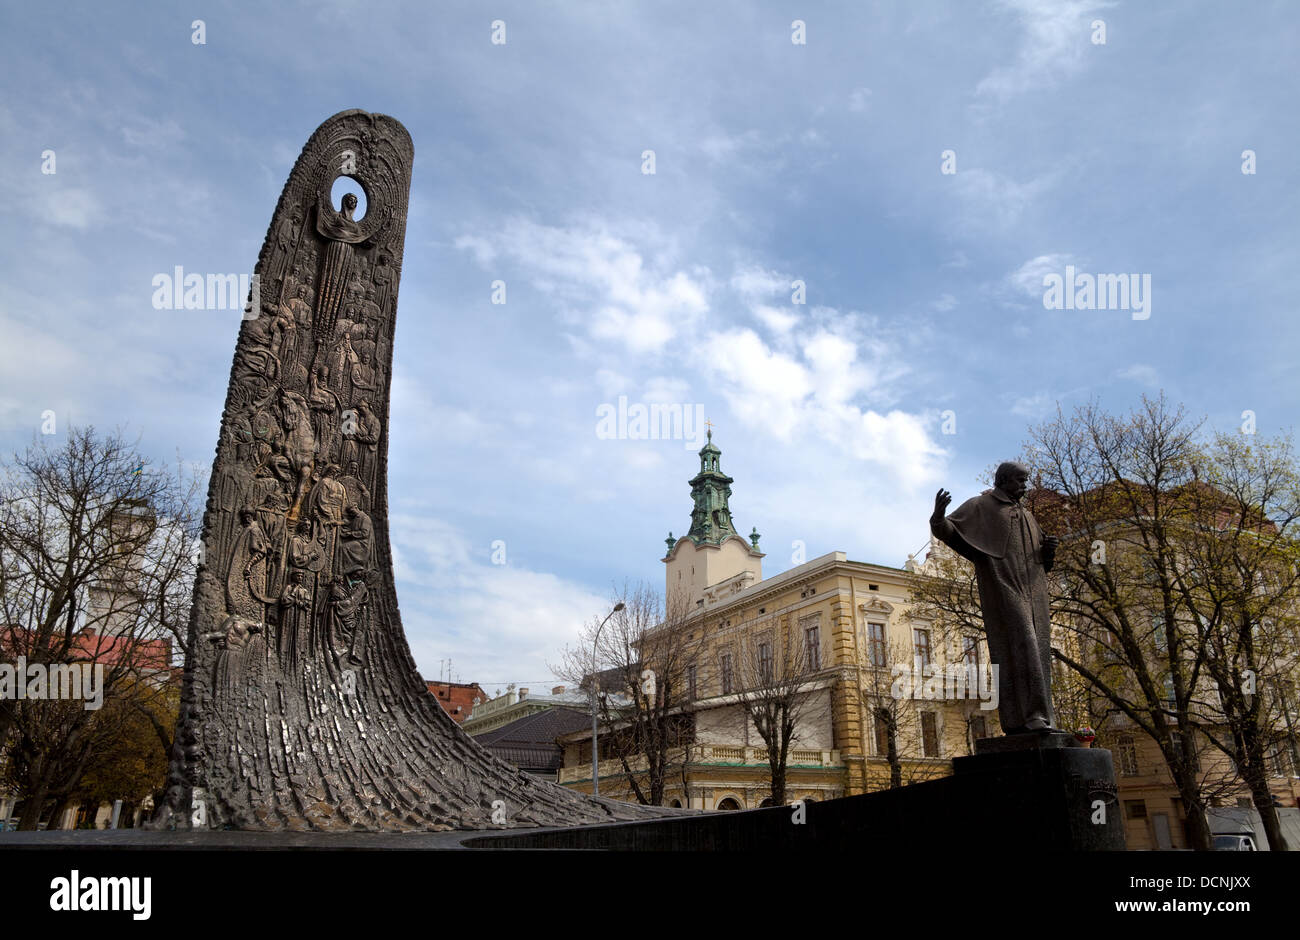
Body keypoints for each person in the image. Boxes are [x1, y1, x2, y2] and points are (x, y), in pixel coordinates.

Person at [930, 461, 1060, 735]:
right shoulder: (981, 506)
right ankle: (1030, 715)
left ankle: (1041, 717)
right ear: (1003, 480)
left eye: (1025, 481)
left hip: (1035, 592)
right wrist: (938, 517)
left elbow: (1041, 564)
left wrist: (1048, 552)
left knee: (1038, 650)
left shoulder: (1027, 516)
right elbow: (950, 532)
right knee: (1023, 643)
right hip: (1004, 585)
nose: (1024, 486)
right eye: (1019, 481)